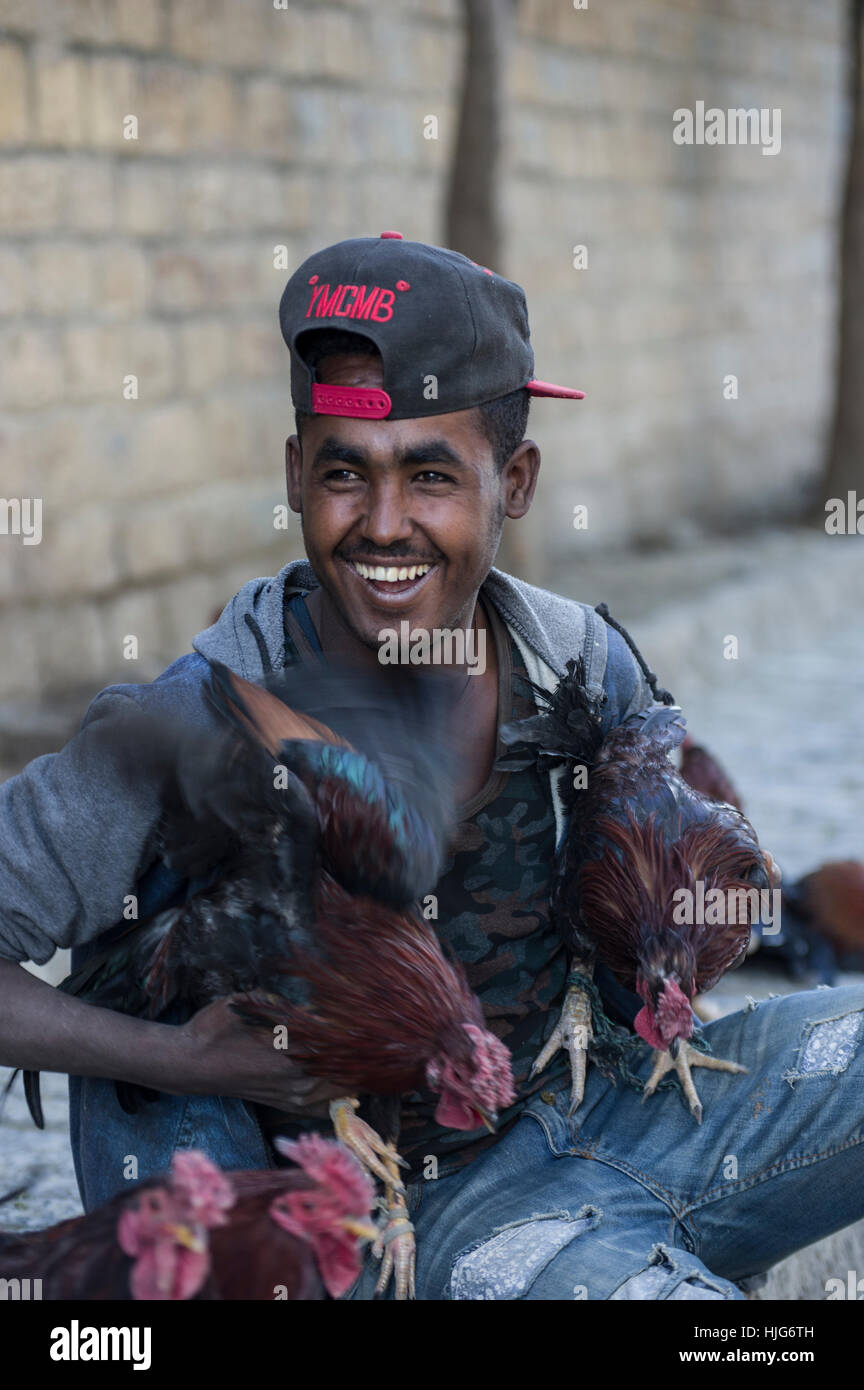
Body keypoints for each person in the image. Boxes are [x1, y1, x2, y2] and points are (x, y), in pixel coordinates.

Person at [1, 234, 862, 1301]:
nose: (384, 524)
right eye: (344, 473)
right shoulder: (204, 717)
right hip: (362, 1224)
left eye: (431, 475)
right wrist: (184, 1062)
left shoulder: (580, 666)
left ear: (517, 481)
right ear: (294, 476)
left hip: (599, 1128)